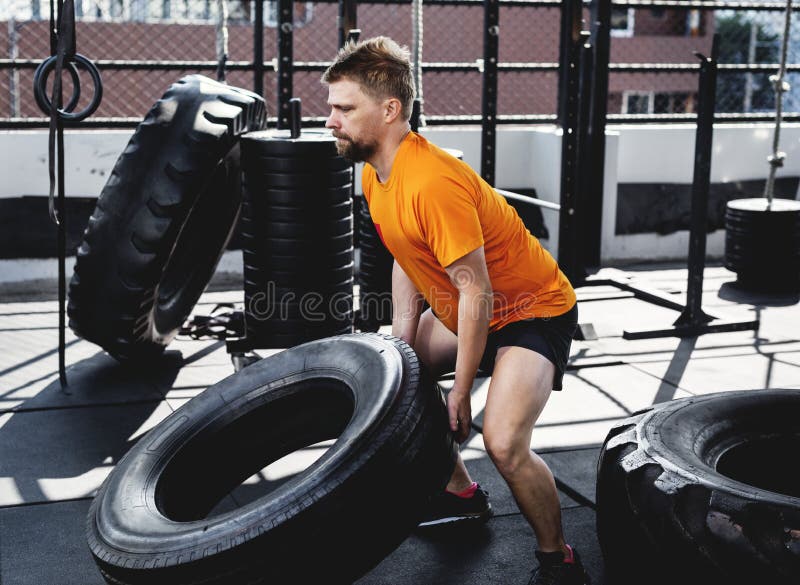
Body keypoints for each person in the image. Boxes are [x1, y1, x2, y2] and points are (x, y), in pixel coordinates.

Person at [321, 37, 588, 585]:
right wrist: (400, 344)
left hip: (530, 311)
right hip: (468, 307)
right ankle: (462, 493)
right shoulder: (375, 172)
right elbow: (405, 259)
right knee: (398, 379)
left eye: (344, 108)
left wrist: (462, 388)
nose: (331, 121)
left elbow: (478, 293)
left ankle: (557, 558)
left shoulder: (432, 182)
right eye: (332, 108)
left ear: (390, 110)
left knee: (505, 442)